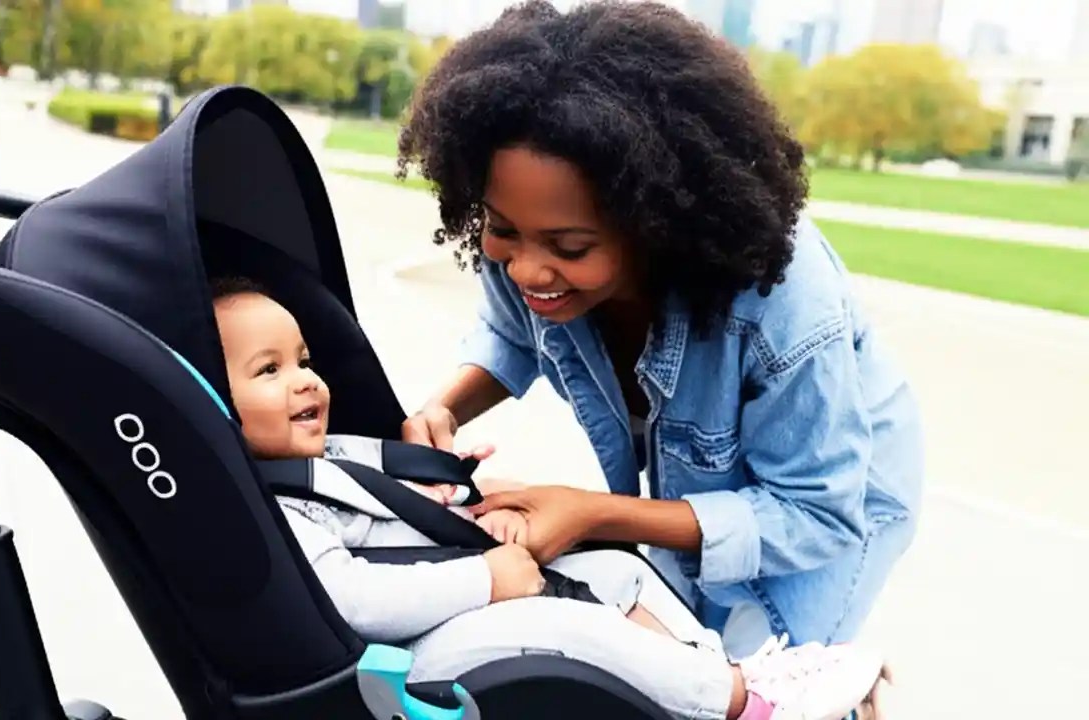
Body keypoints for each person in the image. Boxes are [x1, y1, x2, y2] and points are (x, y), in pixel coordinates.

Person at [395, 0, 924, 660]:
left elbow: (816, 514)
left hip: (831, 498)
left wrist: (594, 513)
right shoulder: (527, 233)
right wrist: (440, 410)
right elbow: (511, 337)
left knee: (772, 680)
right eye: (503, 230)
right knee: (684, 651)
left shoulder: (781, 296)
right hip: (706, 488)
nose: (527, 267)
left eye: (568, 245)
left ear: (654, 223)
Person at [208, 276, 889, 720]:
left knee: (618, 573)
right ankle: (747, 702)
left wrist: (442, 496)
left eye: (303, 360)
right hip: (412, 651)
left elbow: (387, 512)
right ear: (216, 407)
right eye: (269, 371)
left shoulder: (326, 456)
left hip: (456, 600)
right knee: (579, 631)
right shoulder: (276, 510)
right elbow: (354, 599)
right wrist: (486, 576)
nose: (306, 382)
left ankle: (715, 683)